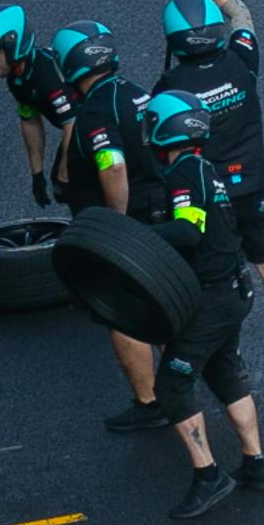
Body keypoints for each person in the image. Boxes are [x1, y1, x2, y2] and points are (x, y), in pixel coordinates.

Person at [157, 0, 264, 366]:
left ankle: (231, 353)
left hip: (210, 193)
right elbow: (240, 10)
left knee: (220, 273)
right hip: (254, 183)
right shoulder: (242, 60)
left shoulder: (171, 88)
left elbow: (159, 139)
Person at [137, 92, 264, 518]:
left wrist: (139, 236)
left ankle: (208, 477)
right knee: (225, 371)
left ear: (164, 130)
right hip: (233, 291)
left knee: (172, 386)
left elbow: (188, 231)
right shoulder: (206, 170)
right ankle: (256, 465)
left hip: (210, 300)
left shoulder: (182, 173)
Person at [50, 21, 168, 434]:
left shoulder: (95, 112)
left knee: (122, 310)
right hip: (166, 208)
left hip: (129, 219)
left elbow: (111, 165)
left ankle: (150, 400)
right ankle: (183, 381)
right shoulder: (138, 93)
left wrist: (116, 230)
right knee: (170, 295)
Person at [0, 3, 74, 213]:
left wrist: (64, 172)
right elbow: (29, 119)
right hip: (82, 128)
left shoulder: (47, 75)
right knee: (62, 187)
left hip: (98, 127)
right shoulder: (16, 79)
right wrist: (37, 174)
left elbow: (74, 124)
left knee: (72, 184)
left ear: (12, 45)